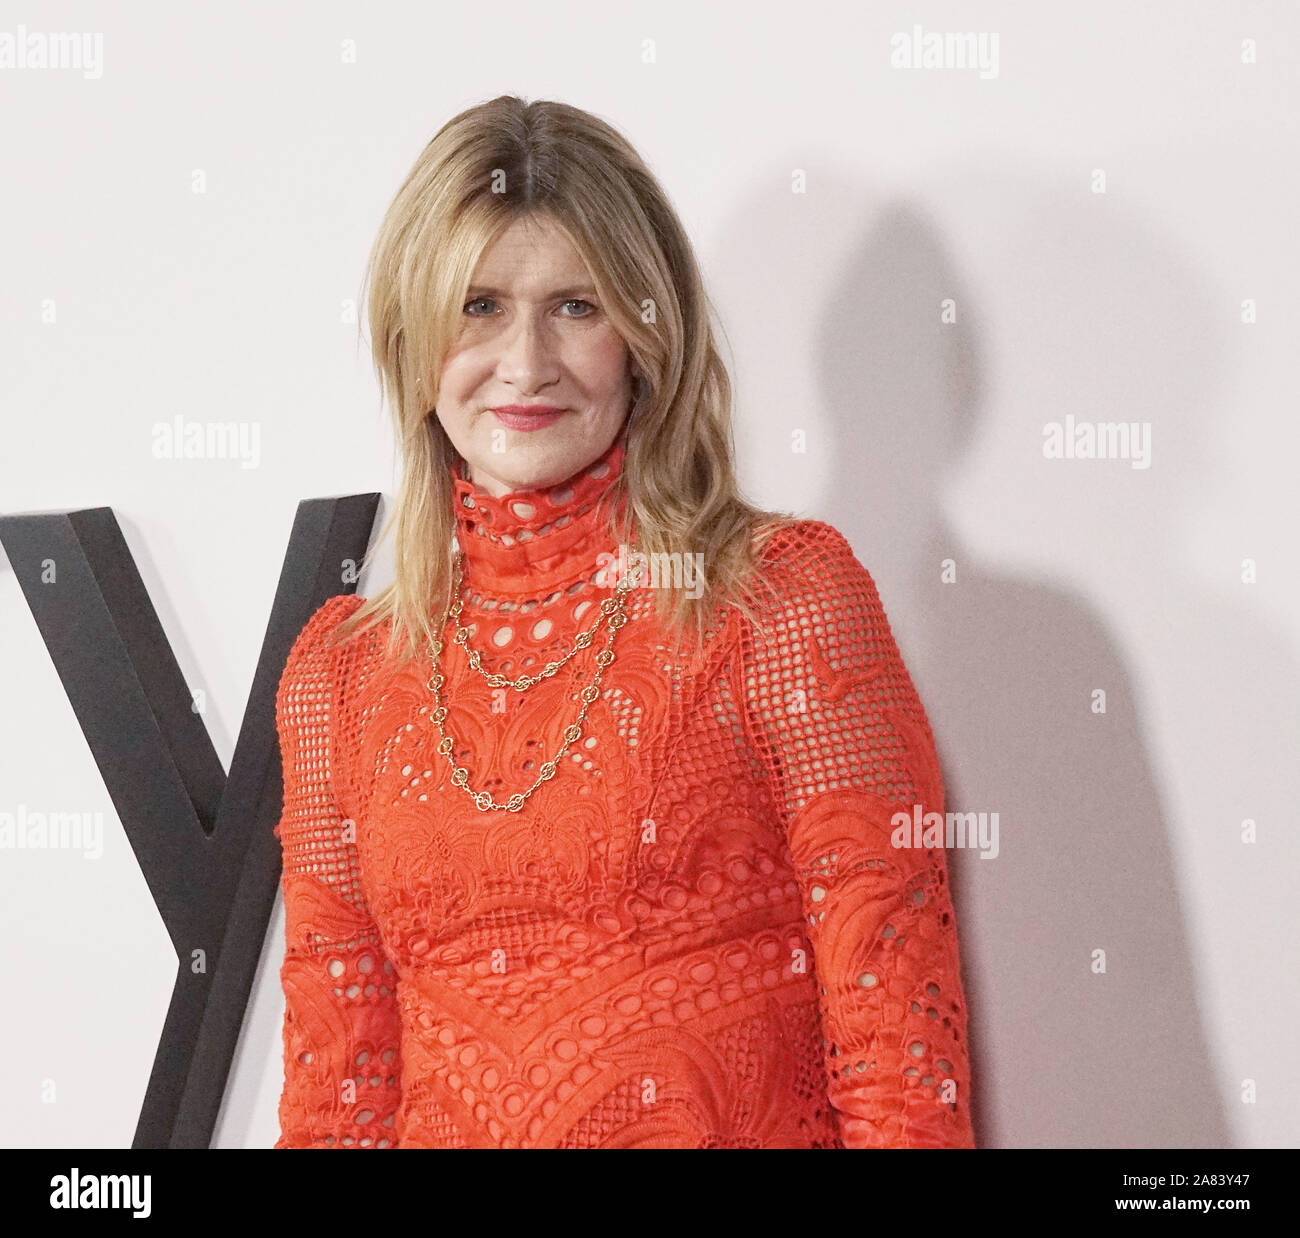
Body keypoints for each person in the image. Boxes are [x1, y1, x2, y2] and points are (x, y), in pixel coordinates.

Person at [272, 95, 975, 1149]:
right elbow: (336, 1103)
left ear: (647, 334)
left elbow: (898, 1067)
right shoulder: (340, 675)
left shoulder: (778, 602)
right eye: (477, 306)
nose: (524, 364)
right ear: (410, 340)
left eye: (575, 306)